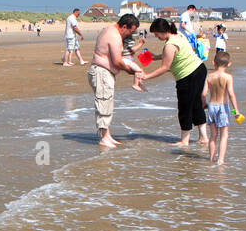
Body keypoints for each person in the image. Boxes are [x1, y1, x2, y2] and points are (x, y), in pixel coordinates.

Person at [140, 18, 209, 149]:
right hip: (199, 69)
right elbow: (174, 54)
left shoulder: (169, 45)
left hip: (188, 76)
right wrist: (155, 57)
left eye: (156, 34)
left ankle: (185, 140)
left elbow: (165, 67)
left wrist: (146, 76)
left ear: (162, 31)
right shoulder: (178, 35)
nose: (156, 37)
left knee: (184, 108)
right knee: (196, 105)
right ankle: (204, 137)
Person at [87, 13, 146, 149]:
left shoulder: (109, 31)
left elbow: (120, 56)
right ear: (124, 26)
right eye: (130, 31)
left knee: (107, 103)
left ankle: (107, 135)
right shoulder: (114, 35)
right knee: (104, 103)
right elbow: (117, 61)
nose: (129, 35)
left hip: (102, 72)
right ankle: (104, 138)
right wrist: (128, 70)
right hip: (101, 72)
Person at [202, 50, 241, 166]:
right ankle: (221, 160)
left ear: (214, 62)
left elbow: (203, 94)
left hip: (211, 106)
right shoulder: (228, 77)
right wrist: (236, 111)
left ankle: (211, 159)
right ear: (229, 64)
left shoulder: (209, 76)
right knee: (224, 135)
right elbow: (231, 94)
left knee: (213, 135)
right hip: (223, 107)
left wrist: (204, 104)